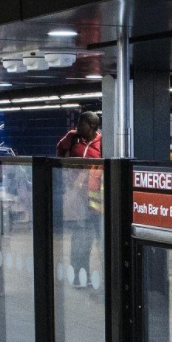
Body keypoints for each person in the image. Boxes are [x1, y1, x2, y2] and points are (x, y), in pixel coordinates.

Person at [57, 112, 103, 288]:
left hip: (96, 198)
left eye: (81, 123)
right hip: (77, 197)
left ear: (91, 126)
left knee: (93, 239)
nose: (77, 126)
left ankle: (92, 274)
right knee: (79, 237)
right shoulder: (73, 138)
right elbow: (60, 151)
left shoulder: (101, 143)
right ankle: (78, 274)